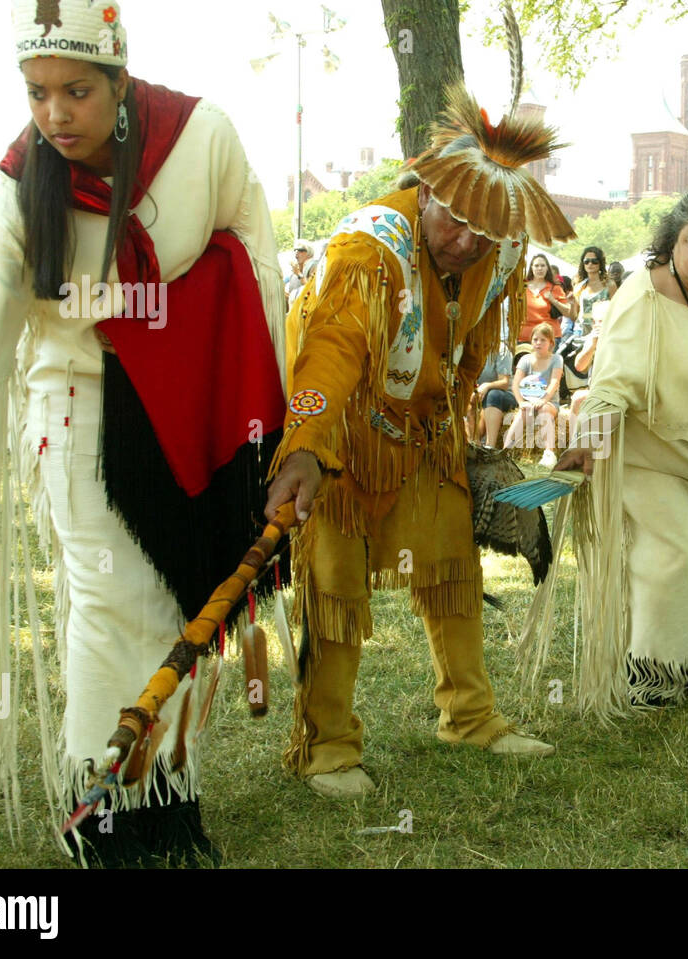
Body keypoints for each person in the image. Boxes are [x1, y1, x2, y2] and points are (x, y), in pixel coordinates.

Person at [0, 1, 287, 866]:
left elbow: (262, 272)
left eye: (76, 90)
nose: (54, 114)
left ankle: (165, 795)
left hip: (196, 403)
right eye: (37, 92)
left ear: (120, 79)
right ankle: (103, 813)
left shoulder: (202, 137)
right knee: (113, 601)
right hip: (76, 405)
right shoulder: (18, 186)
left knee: (192, 603)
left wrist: (282, 435)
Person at [264, 83, 569, 799]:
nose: (466, 242)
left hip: (425, 431)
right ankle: (328, 746)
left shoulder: (500, 250)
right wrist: (306, 445)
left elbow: (470, 350)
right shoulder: (369, 250)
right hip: (342, 433)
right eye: (456, 220)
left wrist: (459, 427)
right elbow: (331, 351)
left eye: (484, 232)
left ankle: (471, 716)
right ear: (426, 191)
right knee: (335, 587)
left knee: (452, 568)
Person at [526, 182, 688, 714]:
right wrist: (587, 442)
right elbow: (612, 383)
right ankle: (648, 676)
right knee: (674, 558)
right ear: (672, 244)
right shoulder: (643, 294)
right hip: (651, 455)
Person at [504, 322, 563, 467]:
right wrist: (521, 402)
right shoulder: (525, 360)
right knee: (523, 412)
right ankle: (505, 452)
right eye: (535, 339)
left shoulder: (556, 359)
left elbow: (554, 383)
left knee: (544, 411)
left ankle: (549, 453)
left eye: (543, 340)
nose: (538, 343)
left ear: (550, 342)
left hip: (548, 402)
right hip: (528, 402)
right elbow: (516, 384)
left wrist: (543, 400)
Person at [519, 253, 570, 346]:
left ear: (547, 268)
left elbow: (568, 312)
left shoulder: (555, 288)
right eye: (536, 266)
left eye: (543, 265)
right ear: (531, 268)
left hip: (548, 337)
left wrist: (553, 300)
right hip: (524, 338)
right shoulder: (522, 287)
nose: (540, 268)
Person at [567, 245, 617, 337]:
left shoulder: (609, 285)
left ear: (600, 263)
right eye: (586, 261)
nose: (590, 264)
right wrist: (571, 304)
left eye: (594, 261)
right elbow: (574, 317)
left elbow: (615, 312)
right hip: (580, 333)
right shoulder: (579, 286)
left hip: (601, 333)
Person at [473, 341, 515, 448]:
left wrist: (487, 385)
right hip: (479, 395)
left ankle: (489, 446)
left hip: (503, 395)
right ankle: (472, 445)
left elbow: (504, 383)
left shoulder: (501, 349)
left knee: (492, 395)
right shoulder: (469, 347)